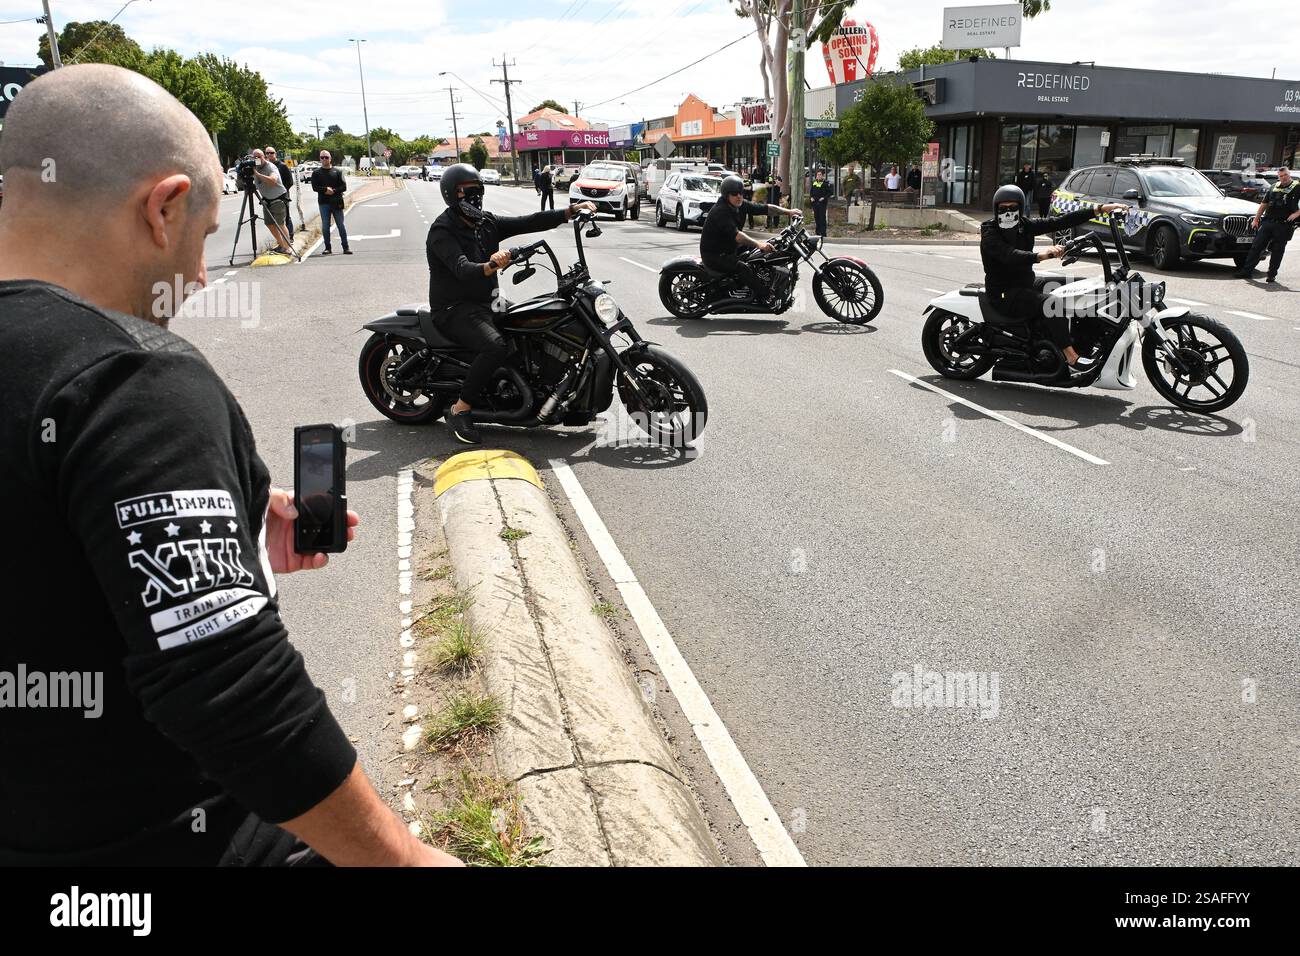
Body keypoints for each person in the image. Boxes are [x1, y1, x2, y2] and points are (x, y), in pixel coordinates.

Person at [0, 64, 462, 867]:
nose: (202, 276)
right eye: (204, 235)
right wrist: (405, 859)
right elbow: (230, 687)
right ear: (163, 207)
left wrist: (223, 529)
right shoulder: (132, 378)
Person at [427, 164, 596, 445]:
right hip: (454, 308)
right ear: (452, 194)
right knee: (495, 346)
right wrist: (491, 264)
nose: (475, 196)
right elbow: (462, 268)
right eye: (468, 191)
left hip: (488, 301)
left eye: (478, 190)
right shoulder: (442, 230)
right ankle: (461, 409)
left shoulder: (485, 222)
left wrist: (570, 211)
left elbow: (528, 221)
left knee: (530, 325)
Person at [981, 183, 1128, 373]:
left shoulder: (1024, 226)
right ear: (996, 209)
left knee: (1085, 285)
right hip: (1004, 293)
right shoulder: (990, 232)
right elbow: (1009, 255)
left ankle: (1086, 339)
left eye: (1013, 208)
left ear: (1021, 208)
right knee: (1051, 303)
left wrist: (1099, 209)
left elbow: (1060, 221)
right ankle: (1071, 357)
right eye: (1003, 208)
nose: (1008, 212)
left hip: (1027, 283)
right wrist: (1041, 255)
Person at [699, 174, 801, 309]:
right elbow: (738, 236)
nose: (739, 196)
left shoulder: (740, 205)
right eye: (734, 193)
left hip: (730, 248)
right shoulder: (721, 211)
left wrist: (789, 212)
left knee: (761, 254)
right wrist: (759, 244)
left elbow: (765, 208)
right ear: (726, 195)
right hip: (715, 255)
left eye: (741, 192)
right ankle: (766, 296)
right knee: (743, 268)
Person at [1233, 166, 1299, 282]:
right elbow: (1264, 204)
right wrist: (1256, 219)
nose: (1284, 178)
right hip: (1268, 222)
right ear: (1279, 177)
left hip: (1283, 224)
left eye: (1286, 175)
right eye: (1281, 176)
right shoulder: (1274, 187)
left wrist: (1296, 214)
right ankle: (1246, 271)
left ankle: (1271, 274)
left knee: (1277, 250)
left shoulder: (1297, 187)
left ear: (1289, 175)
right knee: (1256, 247)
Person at [251, 148, 292, 255]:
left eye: (259, 156)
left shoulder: (271, 167)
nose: (257, 159)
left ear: (263, 157)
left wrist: (257, 174)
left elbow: (273, 181)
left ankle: (287, 248)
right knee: (269, 224)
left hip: (278, 198)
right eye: (255, 157)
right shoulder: (254, 167)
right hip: (266, 200)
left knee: (280, 224)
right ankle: (282, 245)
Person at [311, 150, 351, 256]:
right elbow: (315, 187)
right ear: (320, 159)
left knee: (341, 225)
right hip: (324, 203)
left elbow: (344, 187)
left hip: (336, 202)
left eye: (326, 157)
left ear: (330, 158)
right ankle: (327, 248)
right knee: (325, 226)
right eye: (322, 157)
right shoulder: (316, 173)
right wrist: (325, 189)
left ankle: (346, 247)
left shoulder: (338, 172)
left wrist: (333, 190)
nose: (324, 159)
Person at [266, 145, 295, 241]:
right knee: (275, 218)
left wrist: (282, 191)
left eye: (271, 153)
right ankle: (281, 239)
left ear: (275, 154)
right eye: (267, 153)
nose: (270, 155)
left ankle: (290, 236)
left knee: (286, 216)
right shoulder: (266, 167)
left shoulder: (282, 165)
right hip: (271, 196)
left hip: (283, 196)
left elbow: (290, 181)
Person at [809, 166, 832, 238]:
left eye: (820, 175)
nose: (818, 176)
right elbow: (811, 192)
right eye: (817, 175)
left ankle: (823, 233)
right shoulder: (814, 182)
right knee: (816, 218)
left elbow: (830, 193)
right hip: (815, 203)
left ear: (822, 175)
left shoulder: (825, 183)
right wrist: (811, 197)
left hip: (822, 203)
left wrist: (824, 198)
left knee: (822, 218)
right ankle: (817, 233)